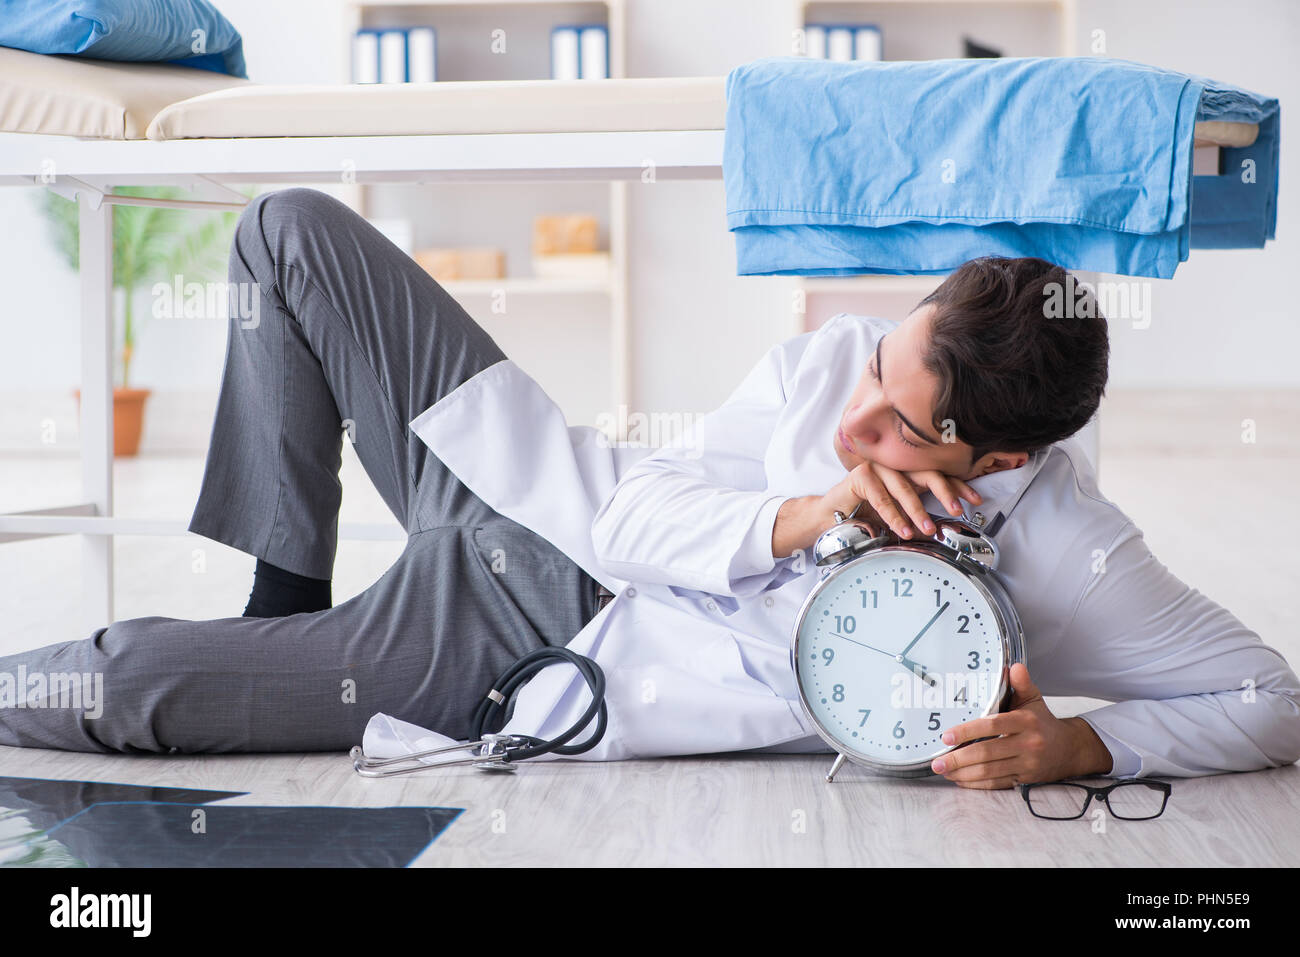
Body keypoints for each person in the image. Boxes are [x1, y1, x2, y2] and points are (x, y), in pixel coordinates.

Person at [3, 188, 1298, 789]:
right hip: (541, 501)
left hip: (541, 642)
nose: (854, 408)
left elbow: (1268, 698)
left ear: (1002, 460)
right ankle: (279, 603)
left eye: (898, 423)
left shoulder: (1071, 555)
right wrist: (806, 508)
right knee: (284, 235)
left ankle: (281, 654)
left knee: (115, 682)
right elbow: (633, 505)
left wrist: (1082, 740)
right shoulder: (834, 365)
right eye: (882, 355)